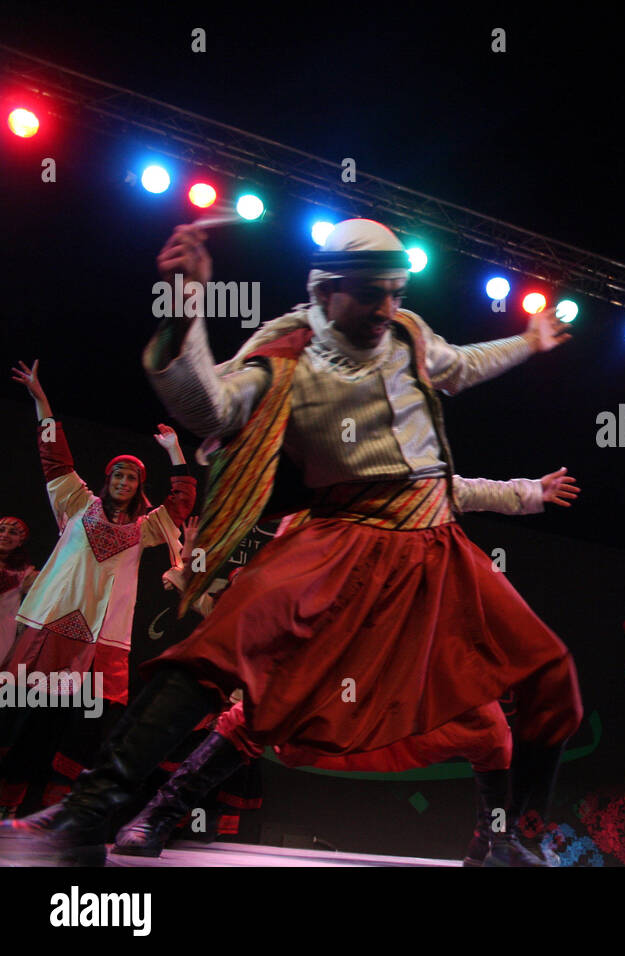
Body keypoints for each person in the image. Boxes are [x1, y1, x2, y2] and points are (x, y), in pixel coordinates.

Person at [1, 218, 582, 867]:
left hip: (432, 550)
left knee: (546, 673)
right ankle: (93, 811)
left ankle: (511, 840)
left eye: (396, 293)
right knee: (221, 661)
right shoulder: (287, 351)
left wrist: (527, 346)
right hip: (342, 540)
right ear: (327, 290)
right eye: (374, 295)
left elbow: (459, 378)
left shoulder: (409, 333)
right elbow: (209, 408)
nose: (388, 309)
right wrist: (185, 309)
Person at [112, 469, 581, 866]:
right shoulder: (321, 478)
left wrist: (532, 491)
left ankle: (494, 840)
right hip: (333, 627)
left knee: (484, 723)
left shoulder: (410, 472)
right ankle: (159, 813)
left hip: (402, 632)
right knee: (264, 714)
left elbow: (465, 490)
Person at [0, 362, 194, 821]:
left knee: (82, 727)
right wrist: (39, 399)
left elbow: (182, 501)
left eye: (132, 478)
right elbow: (54, 456)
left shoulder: (147, 530)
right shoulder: (76, 503)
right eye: (118, 476)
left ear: (138, 487)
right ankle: (8, 802)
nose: (124, 483)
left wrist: (176, 450)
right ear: (108, 481)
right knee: (34, 716)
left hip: (102, 637)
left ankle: (57, 812)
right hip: (55, 627)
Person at [0, 518, 37, 672]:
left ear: (20, 542)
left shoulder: (25, 573)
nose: (5, 535)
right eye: (1, 530)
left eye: (13, 532)